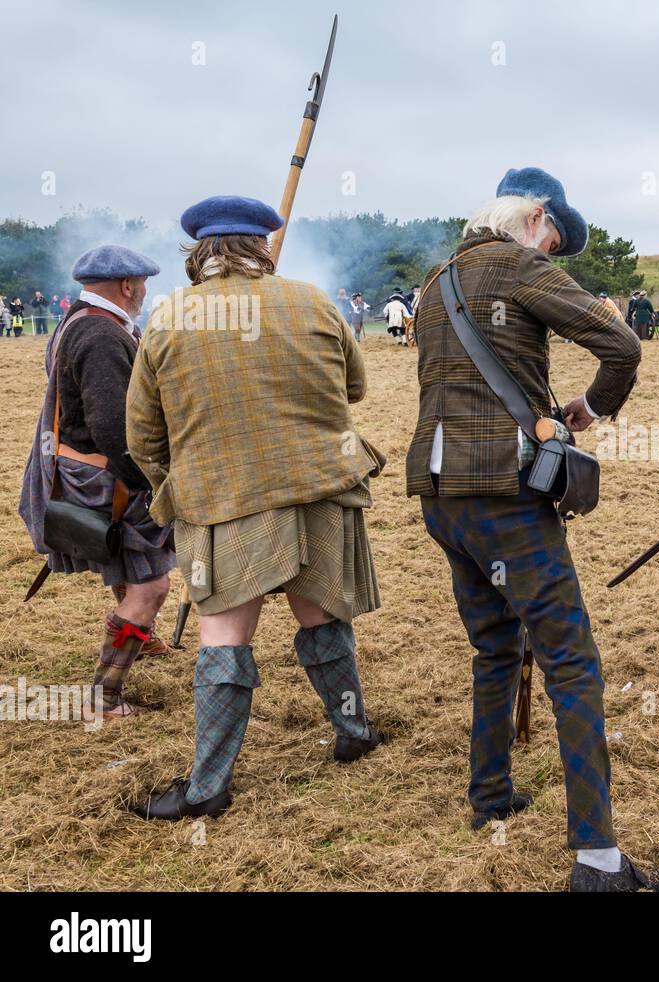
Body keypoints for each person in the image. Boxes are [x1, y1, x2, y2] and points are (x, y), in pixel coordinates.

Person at [408, 166, 659, 892]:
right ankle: (598, 861)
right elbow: (623, 346)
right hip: (503, 495)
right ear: (534, 218)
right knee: (573, 666)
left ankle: (489, 794)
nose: (553, 253)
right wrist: (592, 404)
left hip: (439, 493)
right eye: (554, 236)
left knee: (495, 647)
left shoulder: (435, 282)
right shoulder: (519, 264)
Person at [127, 195, 385, 820]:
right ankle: (353, 733)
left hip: (224, 500)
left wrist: (180, 483)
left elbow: (142, 435)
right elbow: (355, 387)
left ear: (200, 253)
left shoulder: (166, 319)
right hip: (320, 488)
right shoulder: (315, 300)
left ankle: (209, 786)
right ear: (262, 247)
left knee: (223, 637)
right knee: (322, 620)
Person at [19, 245, 175, 719]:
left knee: (132, 568)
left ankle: (138, 640)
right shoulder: (100, 335)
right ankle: (104, 695)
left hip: (89, 470)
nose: (144, 293)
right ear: (127, 285)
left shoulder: (81, 320)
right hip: (107, 476)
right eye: (142, 284)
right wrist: (151, 480)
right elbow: (113, 427)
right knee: (152, 587)